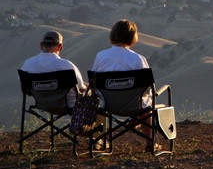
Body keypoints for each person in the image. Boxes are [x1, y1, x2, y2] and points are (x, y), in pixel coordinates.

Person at [91, 19, 155, 150]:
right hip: (134, 106)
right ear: (133, 37)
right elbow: (148, 88)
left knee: (97, 98)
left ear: (113, 35)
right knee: (147, 105)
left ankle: (100, 141)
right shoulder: (138, 59)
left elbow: (94, 83)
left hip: (107, 105)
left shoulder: (101, 56)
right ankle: (150, 143)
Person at [20, 30, 87, 107]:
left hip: (41, 104)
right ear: (60, 47)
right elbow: (81, 88)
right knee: (92, 95)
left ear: (41, 45)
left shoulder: (28, 64)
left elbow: (24, 88)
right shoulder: (66, 66)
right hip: (68, 105)